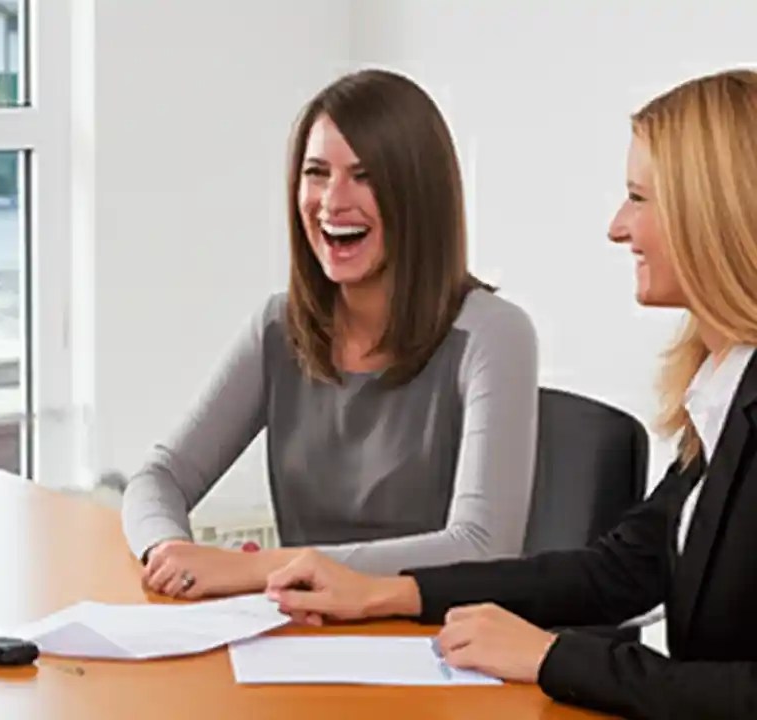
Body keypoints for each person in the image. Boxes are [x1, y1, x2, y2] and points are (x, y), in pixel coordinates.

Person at [264, 68, 757, 720]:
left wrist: (553, 658)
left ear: (711, 215)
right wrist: (387, 594)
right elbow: (619, 573)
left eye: (639, 197)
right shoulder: (723, 397)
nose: (616, 226)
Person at [122, 69, 540, 600]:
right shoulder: (279, 327)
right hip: (307, 643)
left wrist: (260, 569)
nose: (332, 201)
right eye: (317, 173)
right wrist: (167, 552)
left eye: (364, 176)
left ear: (418, 194)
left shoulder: (493, 335)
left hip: (436, 650)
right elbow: (158, 478)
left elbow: (483, 547)